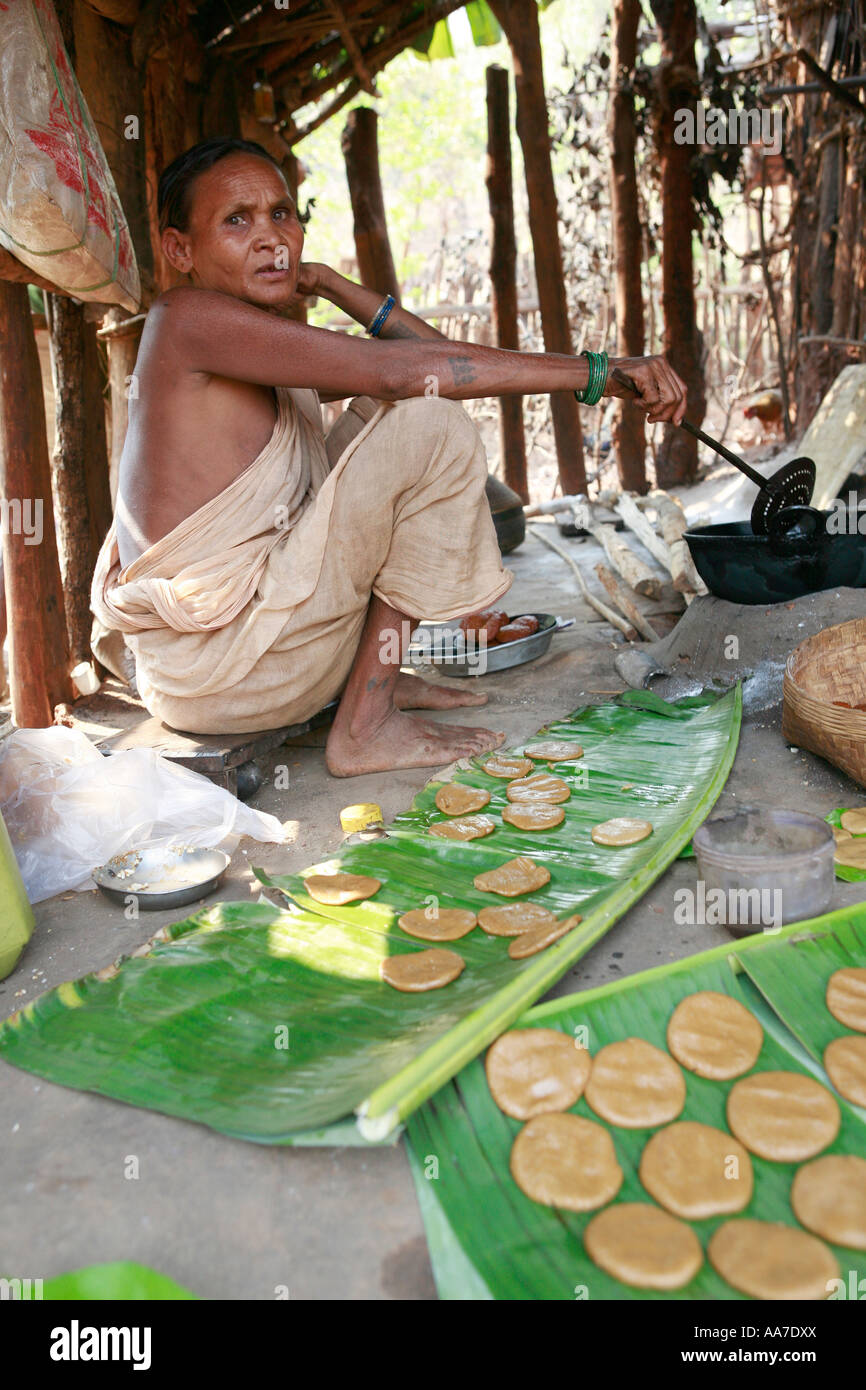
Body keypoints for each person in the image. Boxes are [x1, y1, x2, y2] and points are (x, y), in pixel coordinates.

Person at [91, 137, 687, 777]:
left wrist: (330, 283)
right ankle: (365, 725)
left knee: (410, 410)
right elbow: (414, 375)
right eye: (237, 220)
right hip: (228, 672)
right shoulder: (185, 318)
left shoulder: (261, 340)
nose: (271, 238)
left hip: (252, 659)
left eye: (282, 214)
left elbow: (432, 358)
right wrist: (598, 373)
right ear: (180, 249)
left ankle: (368, 681)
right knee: (426, 422)